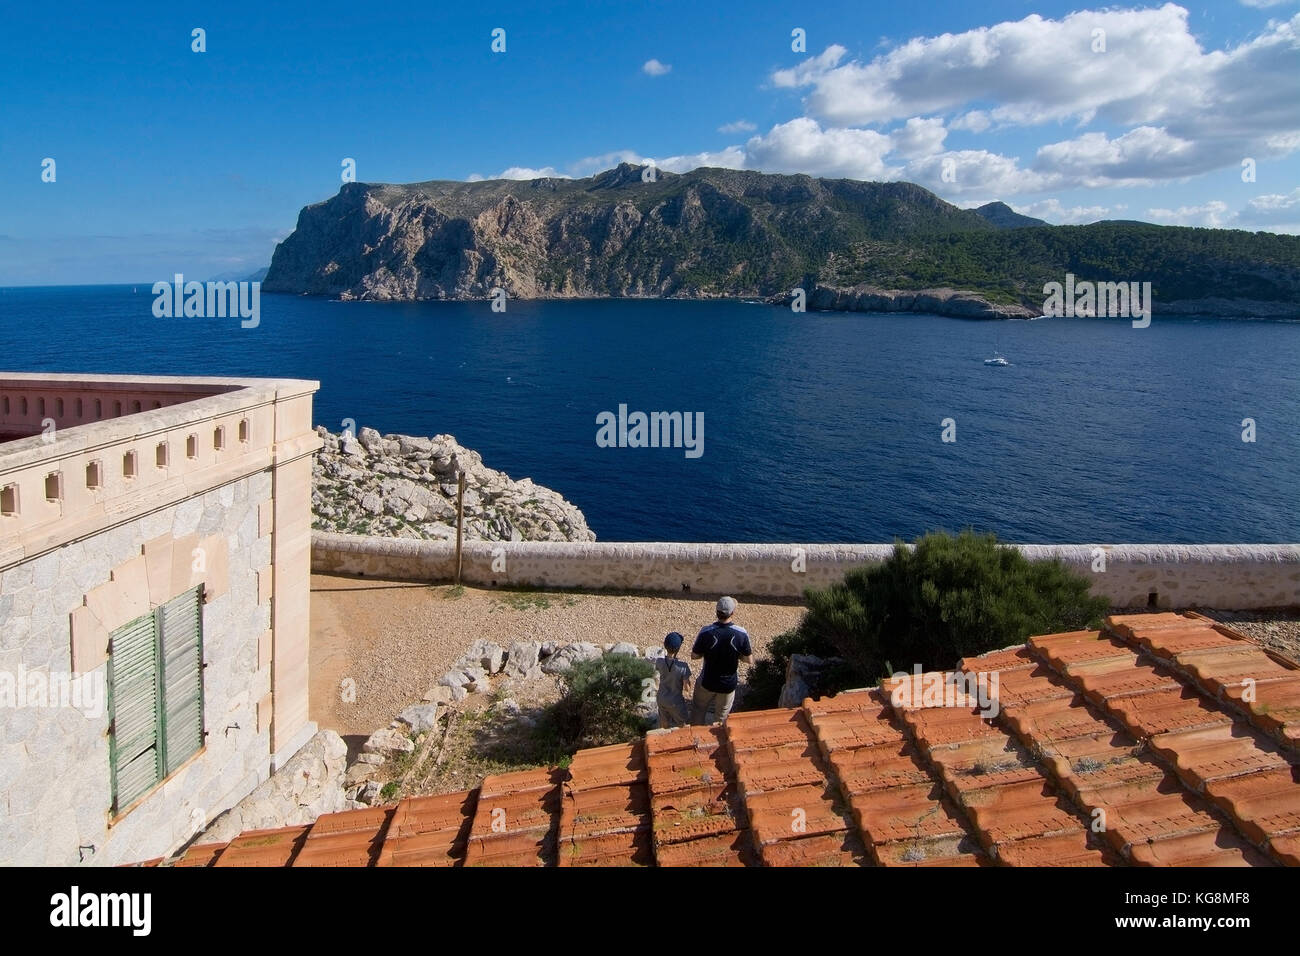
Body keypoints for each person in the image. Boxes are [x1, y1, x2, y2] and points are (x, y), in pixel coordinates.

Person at [689, 596, 752, 725]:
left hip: (708, 680)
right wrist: (737, 655)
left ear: (716, 612)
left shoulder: (706, 632)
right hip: (728, 684)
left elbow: (694, 656)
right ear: (733, 613)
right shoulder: (741, 633)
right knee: (721, 718)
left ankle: (695, 738)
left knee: (698, 710)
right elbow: (749, 660)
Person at [655, 632, 692, 729]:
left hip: (661, 698)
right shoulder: (683, 667)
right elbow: (687, 688)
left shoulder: (659, 662)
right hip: (675, 701)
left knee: (664, 722)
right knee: (682, 723)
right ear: (678, 649)